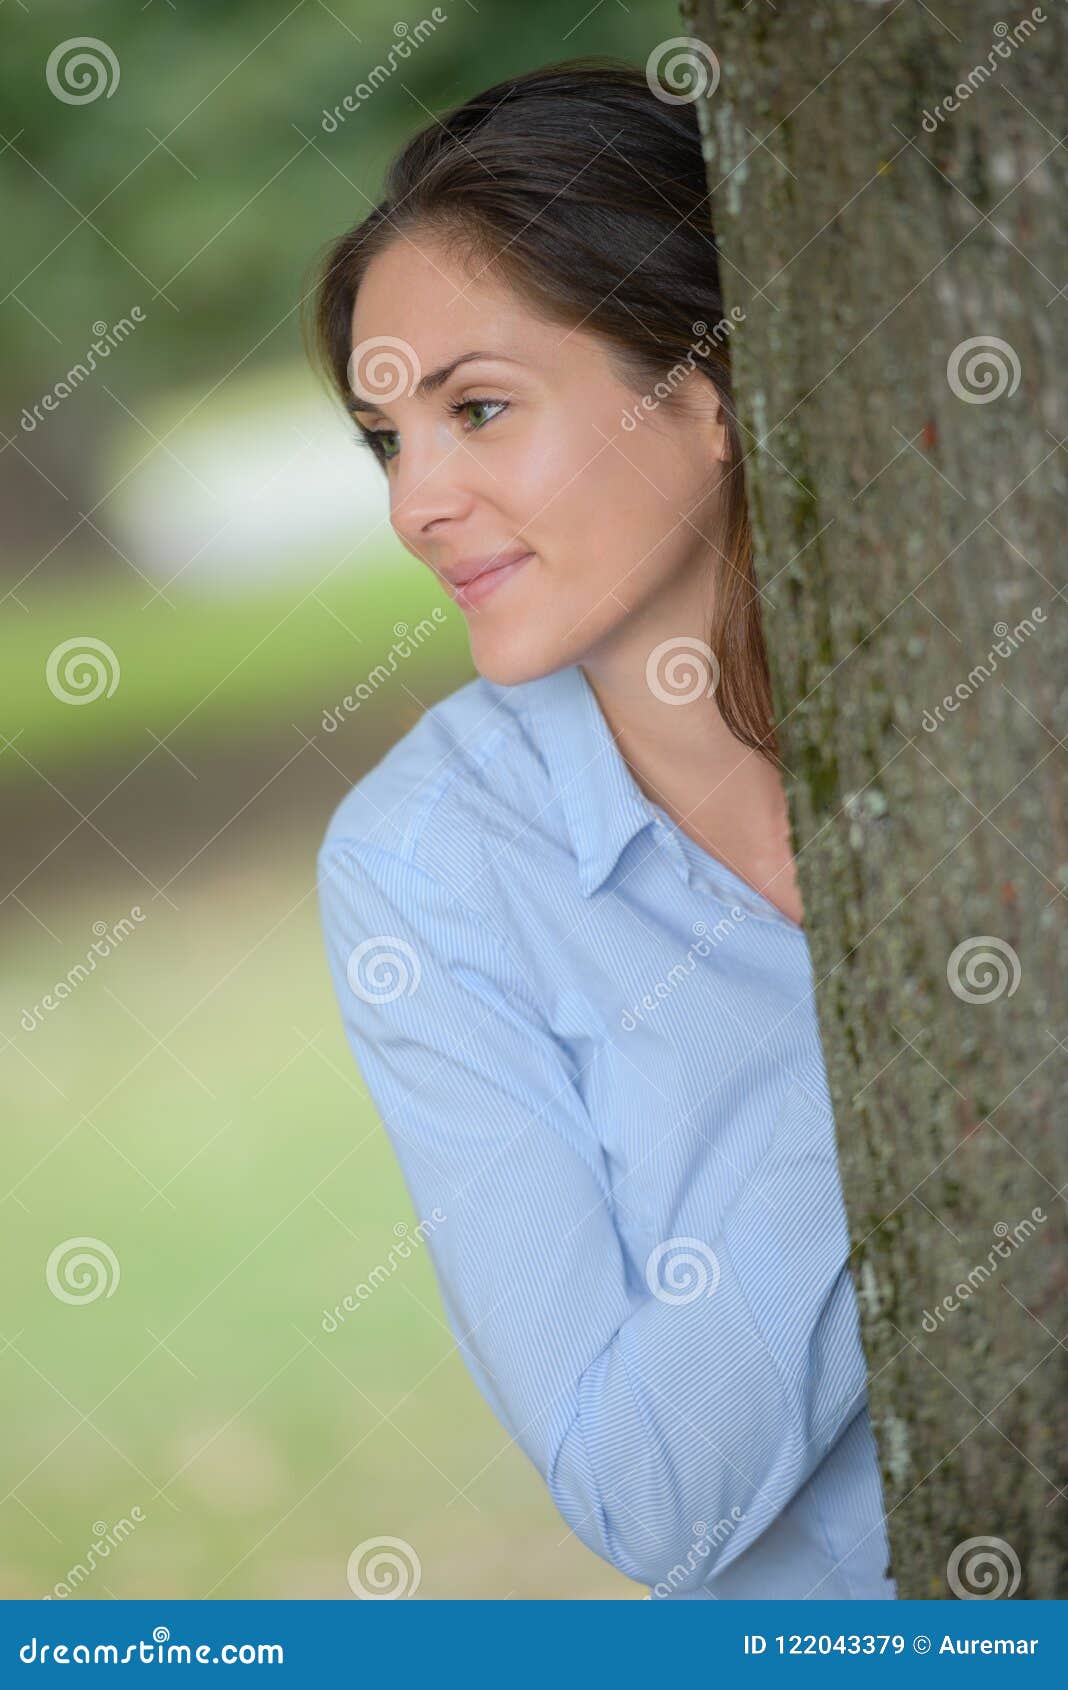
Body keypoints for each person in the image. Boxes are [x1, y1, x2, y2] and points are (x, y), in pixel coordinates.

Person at [308, 57, 895, 1600]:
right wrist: (907, 1036)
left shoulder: (1000, 701)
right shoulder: (428, 868)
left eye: (477, 409)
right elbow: (649, 1496)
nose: (414, 504)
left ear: (706, 393)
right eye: (388, 439)